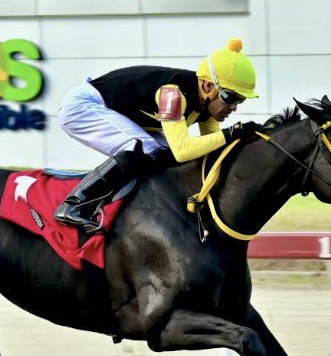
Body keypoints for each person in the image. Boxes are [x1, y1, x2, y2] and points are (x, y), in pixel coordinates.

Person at [53, 37, 262, 234]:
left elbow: (211, 150)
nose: (233, 107)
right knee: (143, 148)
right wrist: (231, 134)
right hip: (82, 106)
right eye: (230, 97)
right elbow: (183, 150)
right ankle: (74, 205)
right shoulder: (172, 93)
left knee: (163, 155)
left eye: (240, 100)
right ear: (208, 86)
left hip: (113, 110)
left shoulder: (208, 107)